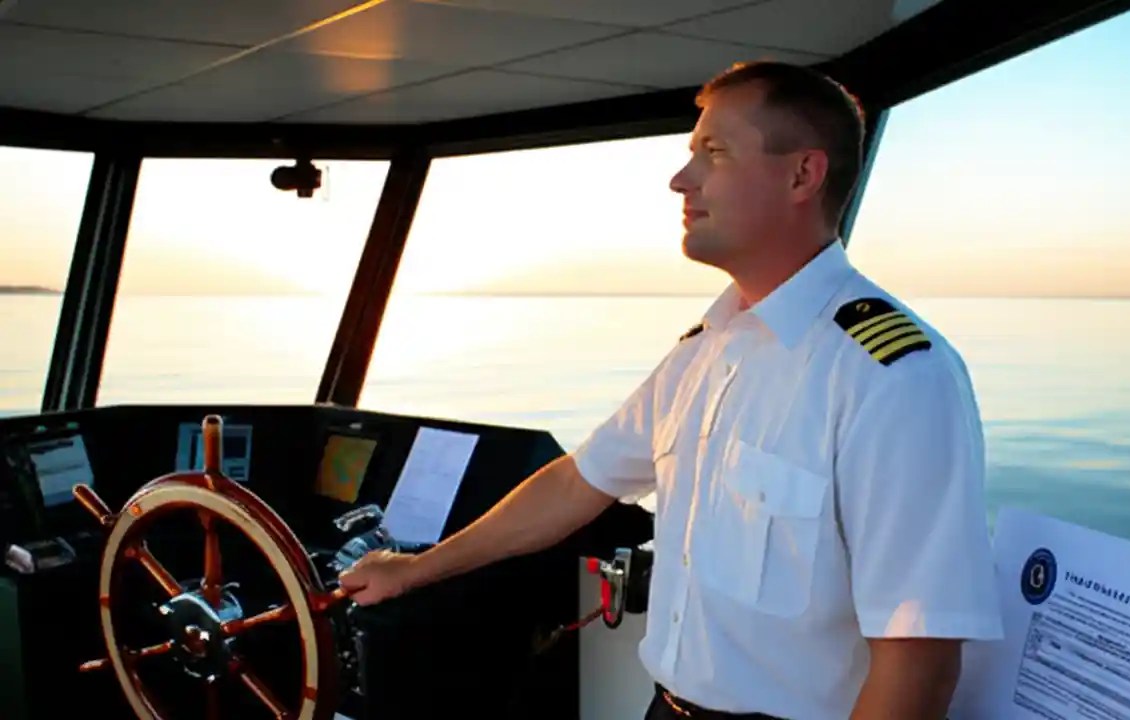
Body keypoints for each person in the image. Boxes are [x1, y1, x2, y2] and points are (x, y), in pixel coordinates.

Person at [339, 60, 1003, 719]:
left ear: (803, 174)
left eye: (713, 153)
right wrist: (416, 570)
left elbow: (919, 659)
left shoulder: (893, 377)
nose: (681, 178)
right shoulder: (704, 350)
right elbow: (577, 483)